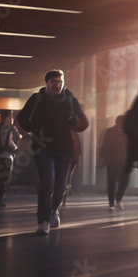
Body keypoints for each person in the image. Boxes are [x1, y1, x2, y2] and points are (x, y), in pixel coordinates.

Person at [16, 69, 89, 236]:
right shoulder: (37, 98)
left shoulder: (71, 99)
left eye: (59, 82)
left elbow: (84, 123)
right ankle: (43, 221)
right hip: (43, 149)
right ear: (47, 83)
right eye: (53, 82)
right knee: (46, 183)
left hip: (65, 149)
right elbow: (21, 117)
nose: (57, 85)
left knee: (61, 185)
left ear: (63, 83)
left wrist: (74, 123)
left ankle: (54, 209)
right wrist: (34, 129)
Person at [0, 111, 22, 209]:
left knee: (0, 181)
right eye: (11, 117)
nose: (12, 119)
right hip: (6, 157)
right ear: (7, 118)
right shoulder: (7, 129)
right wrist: (17, 143)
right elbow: (8, 142)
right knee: (3, 181)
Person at [100, 115, 130, 211]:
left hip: (123, 160)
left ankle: (118, 199)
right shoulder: (110, 131)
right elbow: (105, 144)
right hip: (112, 160)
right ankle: (111, 203)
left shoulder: (127, 132)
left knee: (124, 182)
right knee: (111, 182)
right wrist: (103, 157)